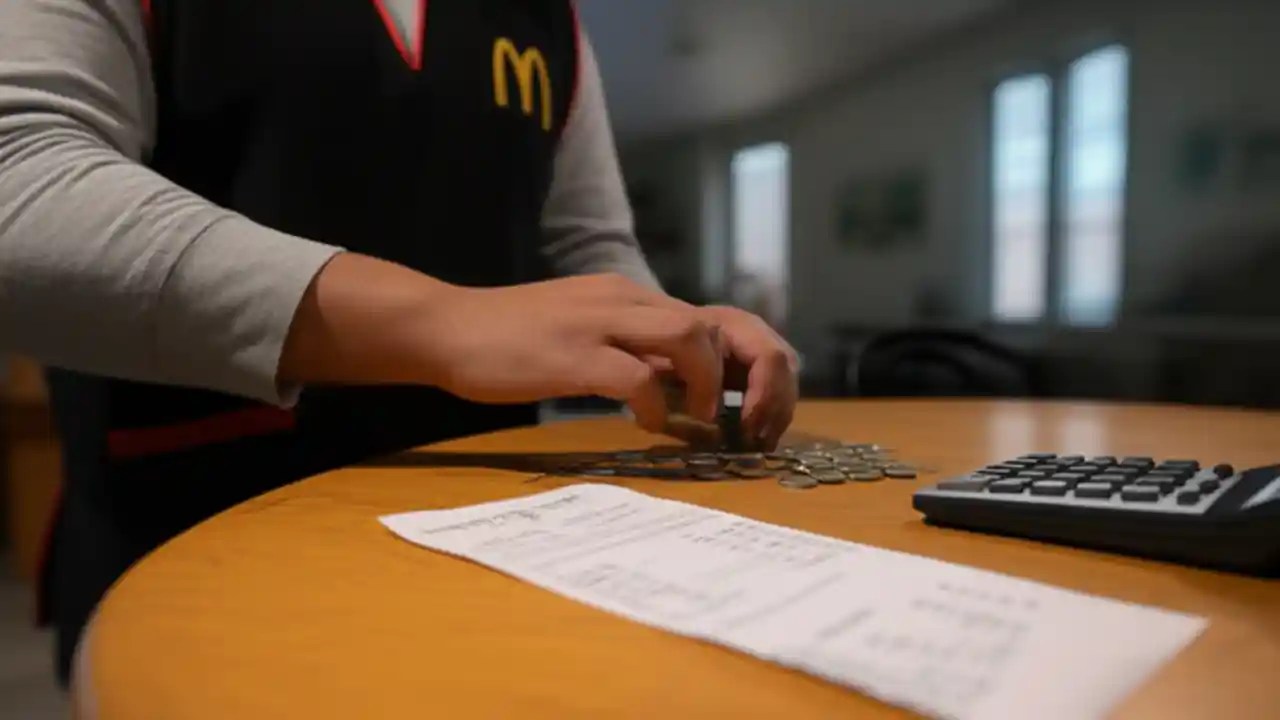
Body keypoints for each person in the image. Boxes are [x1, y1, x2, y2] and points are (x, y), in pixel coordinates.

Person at [0, 0, 799, 685]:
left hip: (507, 559)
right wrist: (444, 321)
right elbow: (20, 188)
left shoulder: (547, 17)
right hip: (192, 548)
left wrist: (672, 336)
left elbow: (588, 247)